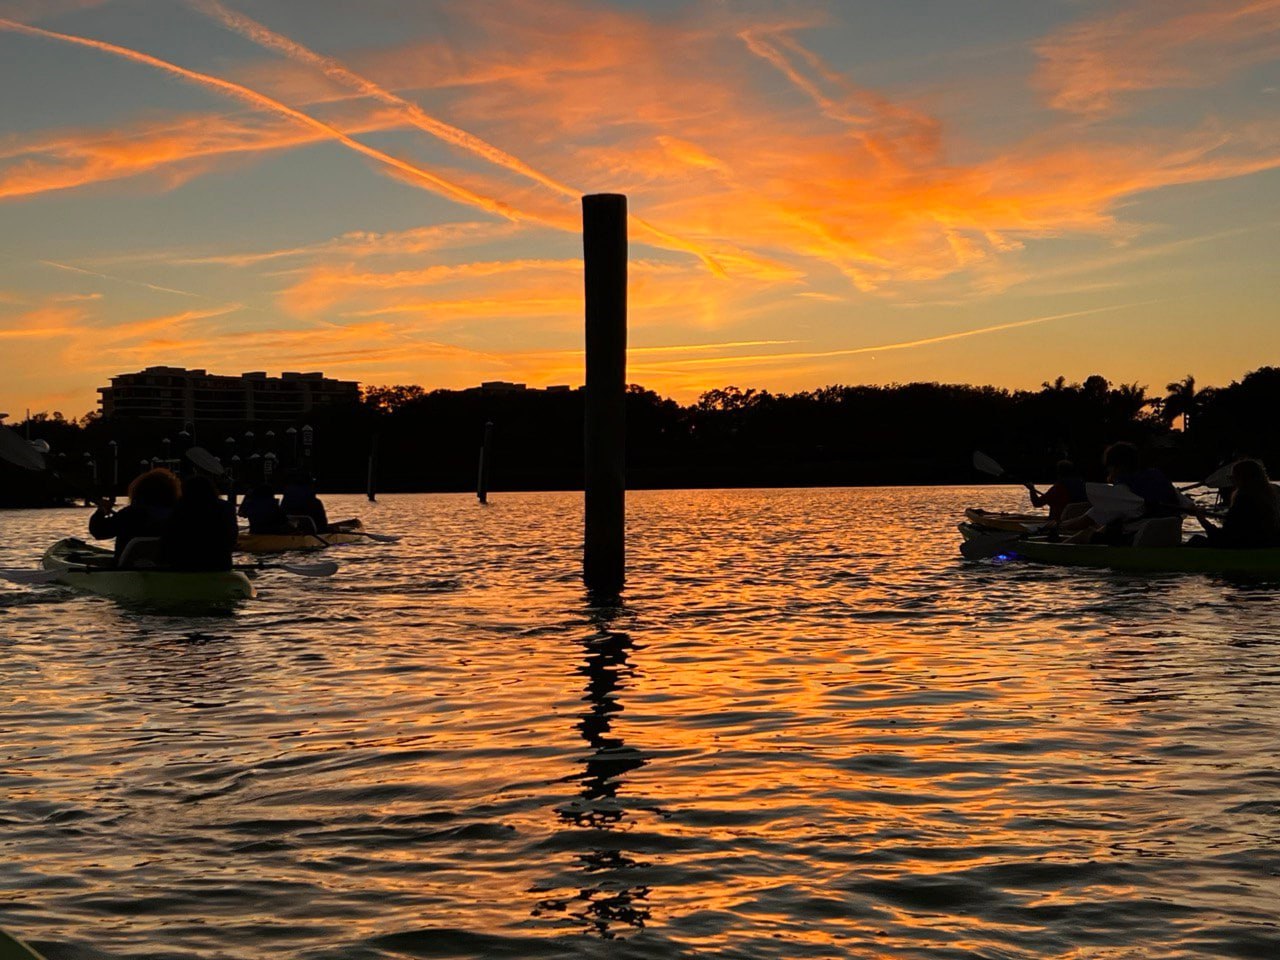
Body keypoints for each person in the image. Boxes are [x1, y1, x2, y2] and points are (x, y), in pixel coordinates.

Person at [88, 468, 180, 563]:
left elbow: (99, 531)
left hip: (128, 570)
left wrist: (101, 511)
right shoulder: (180, 516)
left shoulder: (130, 514)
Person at [1193, 459, 1280, 548]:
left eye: (1233, 478)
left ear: (1242, 479)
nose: (1232, 482)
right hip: (1269, 544)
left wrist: (1202, 519)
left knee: (1195, 540)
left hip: (1246, 547)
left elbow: (1224, 537)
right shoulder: (1273, 495)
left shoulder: (1244, 500)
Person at [161, 474, 238, 571]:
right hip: (219, 563)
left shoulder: (177, 508)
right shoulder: (226, 508)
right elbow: (232, 537)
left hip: (182, 564)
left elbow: (168, 538)